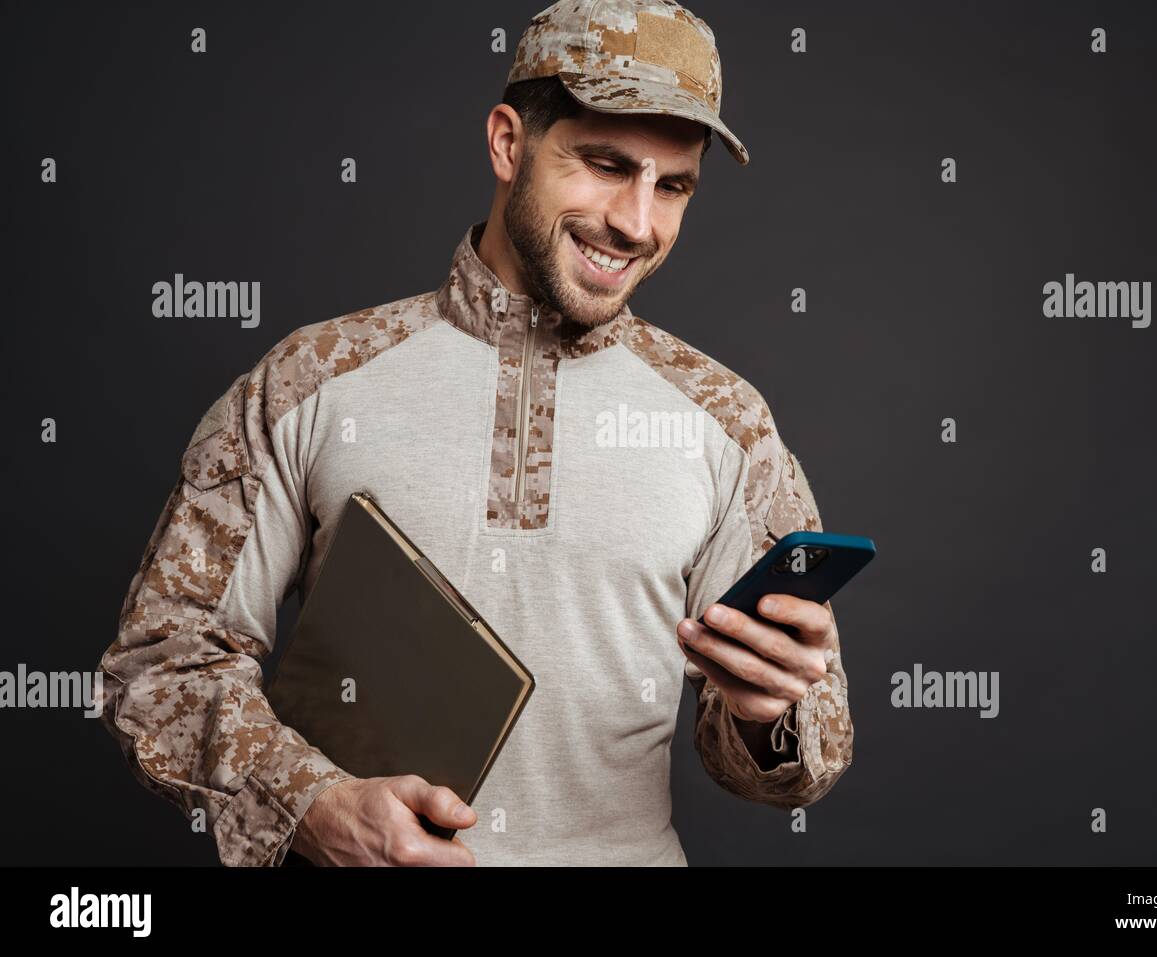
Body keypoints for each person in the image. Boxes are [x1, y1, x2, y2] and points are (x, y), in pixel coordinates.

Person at [96, 0, 853, 867]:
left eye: (672, 184)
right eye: (605, 165)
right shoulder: (310, 379)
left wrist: (767, 714)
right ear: (507, 143)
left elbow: (806, 756)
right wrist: (311, 802)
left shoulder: (728, 422)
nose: (637, 223)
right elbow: (159, 661)